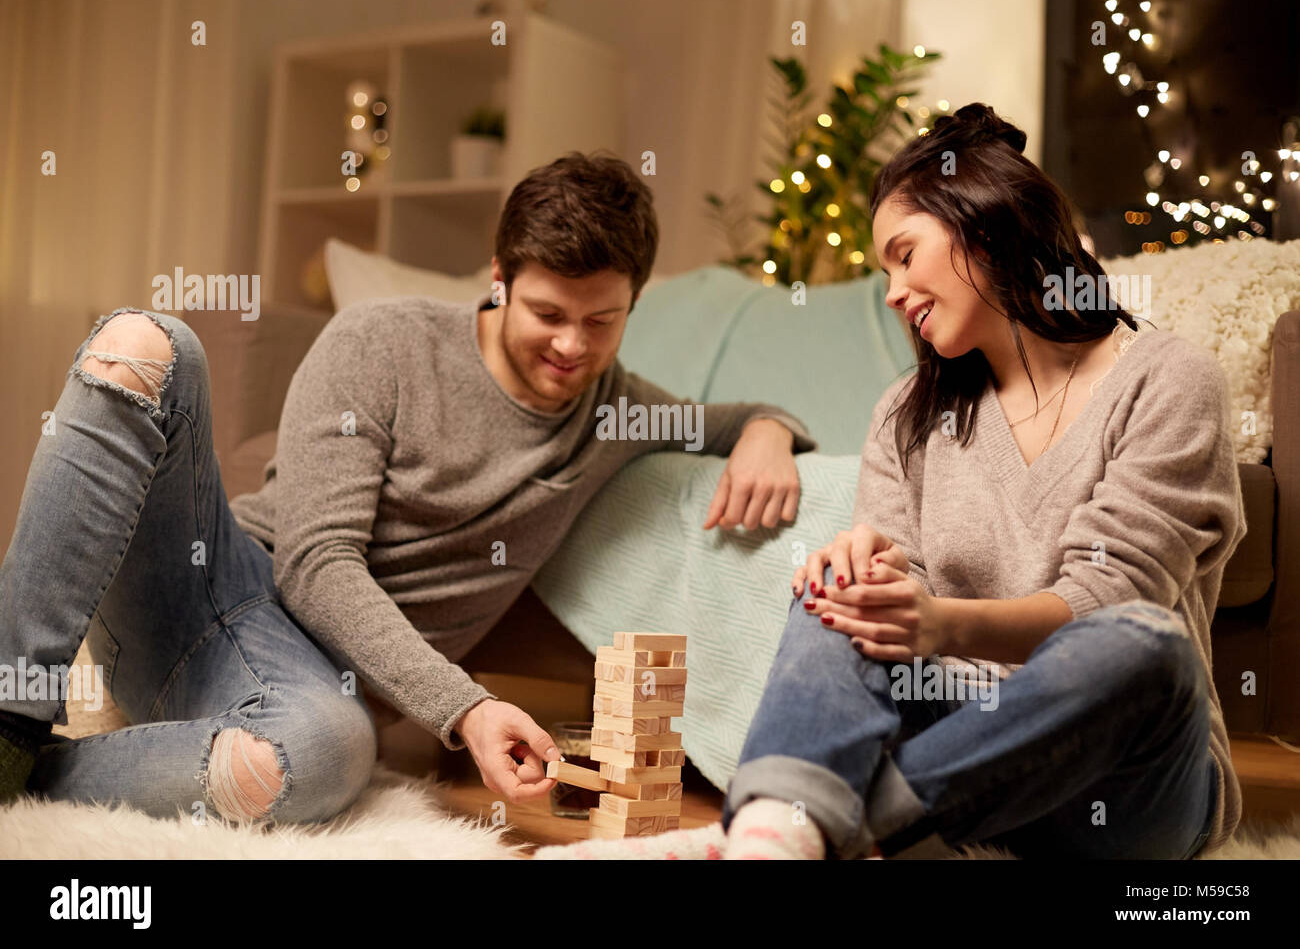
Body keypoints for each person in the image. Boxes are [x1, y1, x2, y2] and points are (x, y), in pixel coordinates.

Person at [0, 151, 816, 824]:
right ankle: (10, 715)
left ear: (632, 304)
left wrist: (769, 433)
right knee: (149, 343)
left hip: (306, 691)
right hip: (219, 589)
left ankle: (38, 779)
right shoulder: (381, 343)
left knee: (318, 752)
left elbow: (739, 416)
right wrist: (466, 709)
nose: (572, 346)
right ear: (498, 279)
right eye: (546, 313)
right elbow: (316, 563)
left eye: (601, 321)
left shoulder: (618, 411)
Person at [710, 103, 1246, 860]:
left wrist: (943, 623)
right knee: (836, 590)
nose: (892, 292)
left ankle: (845, 828)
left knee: (1149, 645)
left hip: (1124, 784)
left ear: (981, 222)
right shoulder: (906, 413)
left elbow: (1112, 597)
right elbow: (895, 610)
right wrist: (872, 570)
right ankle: (777, 835)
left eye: (904, 254)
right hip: (956, 748)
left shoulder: (1167, 379)